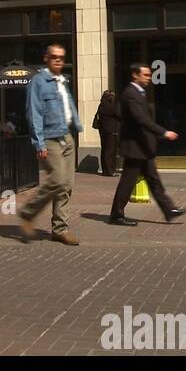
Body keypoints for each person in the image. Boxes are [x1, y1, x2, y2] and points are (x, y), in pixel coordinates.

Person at [108, 63, 186, 226]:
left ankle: (169, 210)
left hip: (142, 147)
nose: (149, 78)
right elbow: (141, 119)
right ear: (135, 75)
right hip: (135, 147)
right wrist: (163, 132)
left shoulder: (139, 93)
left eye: (149, 75)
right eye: (145, 75)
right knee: (128, 182)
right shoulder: (130, 94)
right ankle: (116, 215)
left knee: (153, 180)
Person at [17, 44, 83, 245]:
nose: (58, 60)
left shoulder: (61, 81)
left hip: (67, 137)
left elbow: (67, 106)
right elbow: (34, 114)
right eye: (54, 57)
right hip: (50, 138)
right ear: (46, 58)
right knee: (57, 181)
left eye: (61, 58)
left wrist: (77, 126)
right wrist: (39, 143)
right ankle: (28, 213)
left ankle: (60, 229)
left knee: (67, 186)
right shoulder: (38, 82)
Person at [94, 90, 121, 176]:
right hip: (111, 131)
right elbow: (119, 114)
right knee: (110, 151)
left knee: (105, 150)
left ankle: (106, 170)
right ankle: (110, 171)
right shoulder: (110, 106)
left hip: (103, 131)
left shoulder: (101, 105)